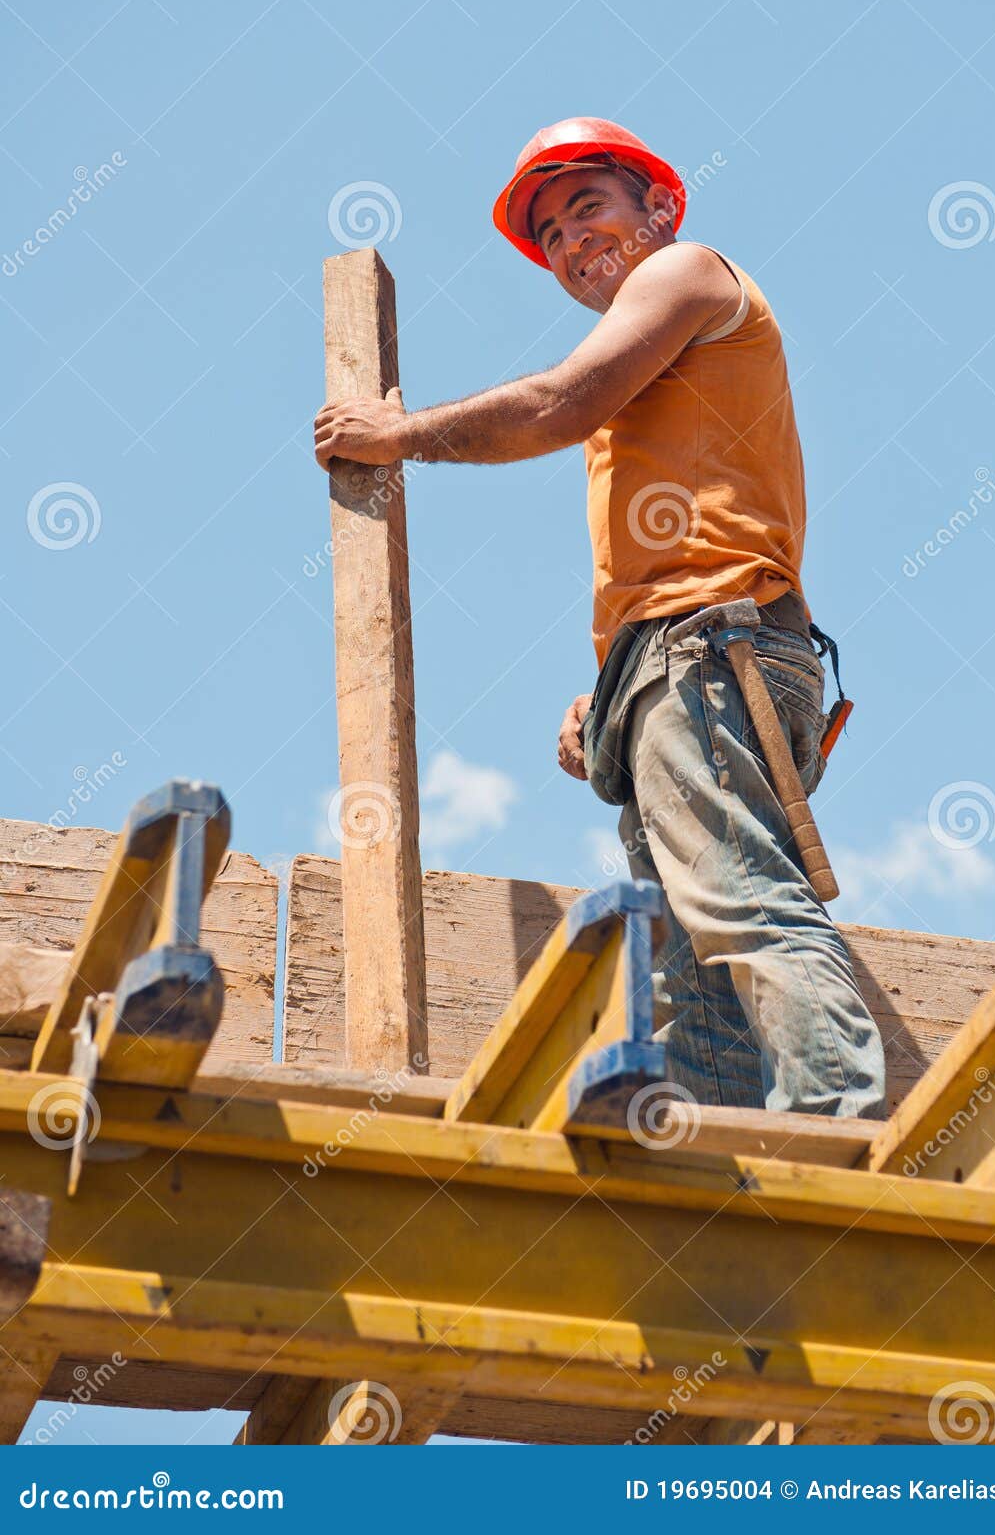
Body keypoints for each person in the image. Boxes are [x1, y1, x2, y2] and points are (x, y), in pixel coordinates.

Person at [314, 116, 886, 1119]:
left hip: (715, 652)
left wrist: (399, 434)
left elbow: (557, 402)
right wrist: (619, 694)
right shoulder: (660, 373)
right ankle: (723, 1158)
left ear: (659, 208)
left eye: (589, 209)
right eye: (552, 237)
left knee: (739, 906)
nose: (572, 242)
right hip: (693, 659)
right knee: (691, 958)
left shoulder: (688, 272)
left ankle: (836, 1125)